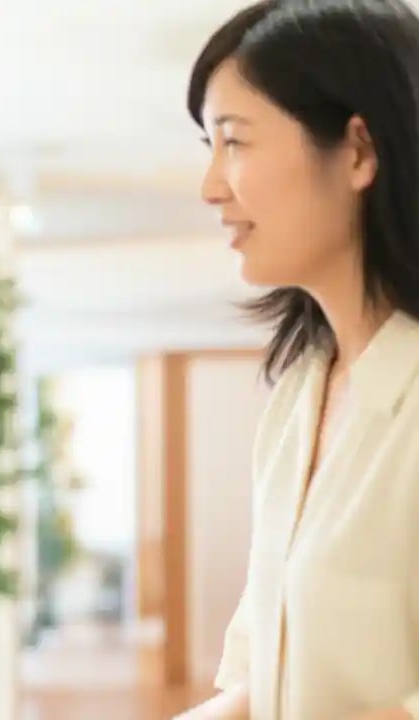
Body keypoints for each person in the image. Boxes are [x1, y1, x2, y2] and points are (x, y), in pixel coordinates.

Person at [176, 1, 419, 719]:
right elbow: (267, 679)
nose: (211, 186)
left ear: (358, 152)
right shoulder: (299, 399)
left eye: (235, 141)